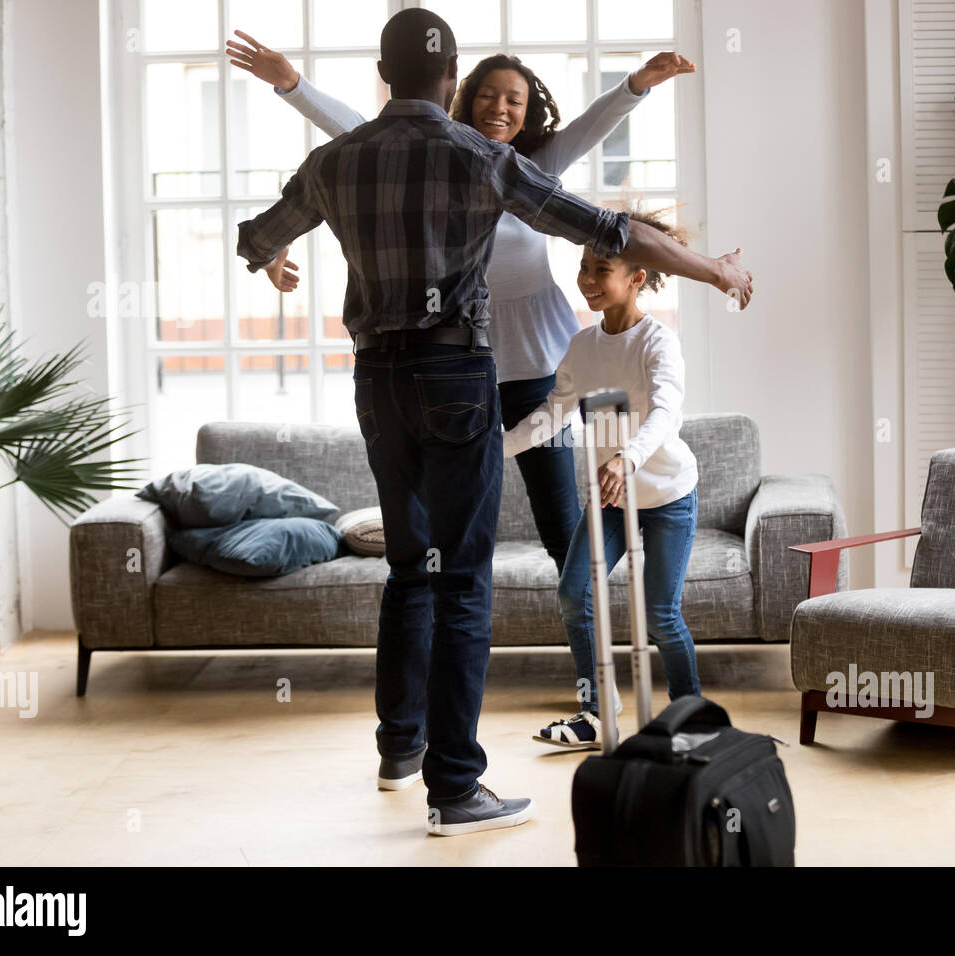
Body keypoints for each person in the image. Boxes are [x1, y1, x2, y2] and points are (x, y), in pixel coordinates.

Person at [236, 8, 753, 836]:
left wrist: (273, 262)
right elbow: (610, 231)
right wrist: (714, 270)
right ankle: (455, 788)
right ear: (451, 83)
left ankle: (399, 749)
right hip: (457, 375)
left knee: (412, 569)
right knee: (464, 577)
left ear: (383, 69)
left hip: (378, 380)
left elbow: (255, 235)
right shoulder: (478, 157)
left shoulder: (337, 159)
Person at [228, 31, 694, 575]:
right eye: (488, 96)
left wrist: (636, 85)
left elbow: (591, 128)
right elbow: (353, 132)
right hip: (459, 367)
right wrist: (291, 84)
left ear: (527, 113)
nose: (500, 108)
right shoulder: (435, 157)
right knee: (452, 532)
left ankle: (585, 639)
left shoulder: (528, 168)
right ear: (463, 94)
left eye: (514, 100)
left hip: (540, 367)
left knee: (561, 523)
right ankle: (452, 638)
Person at [503, 210, 700, 748]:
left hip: (666, 497)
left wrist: (626, 458)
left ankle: (692, 718)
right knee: (574, 595)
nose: (587, 279)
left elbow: (666, 413)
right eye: (583, 267)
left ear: (638, 277)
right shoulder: (582, 346)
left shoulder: (658, 343)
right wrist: (491, 451)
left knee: (660, 615)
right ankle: (596, 715)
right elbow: (551, 413)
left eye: (601, 269)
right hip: (611, 501)